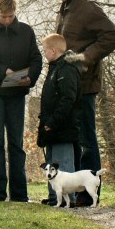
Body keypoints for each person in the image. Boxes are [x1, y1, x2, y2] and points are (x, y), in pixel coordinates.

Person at [48, 0, 115, 184]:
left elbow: (112, 36)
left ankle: (89, 194)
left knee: (86, 140)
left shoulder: (88, 9)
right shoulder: (65, 9)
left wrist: (85, 57)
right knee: (74, 139)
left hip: (85, 84)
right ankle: (75, 190)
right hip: (67, 85)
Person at [0, 0, 42, 202]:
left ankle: (20, 195)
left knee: (16, 143)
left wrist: (30, 77)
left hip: (17, 94)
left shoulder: (26, 32)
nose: (7, 20)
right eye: (3, 16)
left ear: (15, 12)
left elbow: (36, 59)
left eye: (10, 16)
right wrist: (3, 70)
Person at [36, 33, 83, 205]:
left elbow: (68, 100)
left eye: (45, 50)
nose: (44, 53)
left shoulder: (67, 70)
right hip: (52, 128)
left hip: (63, 127)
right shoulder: (55, 69)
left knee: (63, 163)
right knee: (52, 164)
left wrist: (53, 122)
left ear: (53, 50)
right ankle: (54, 197)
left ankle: (67, 198)